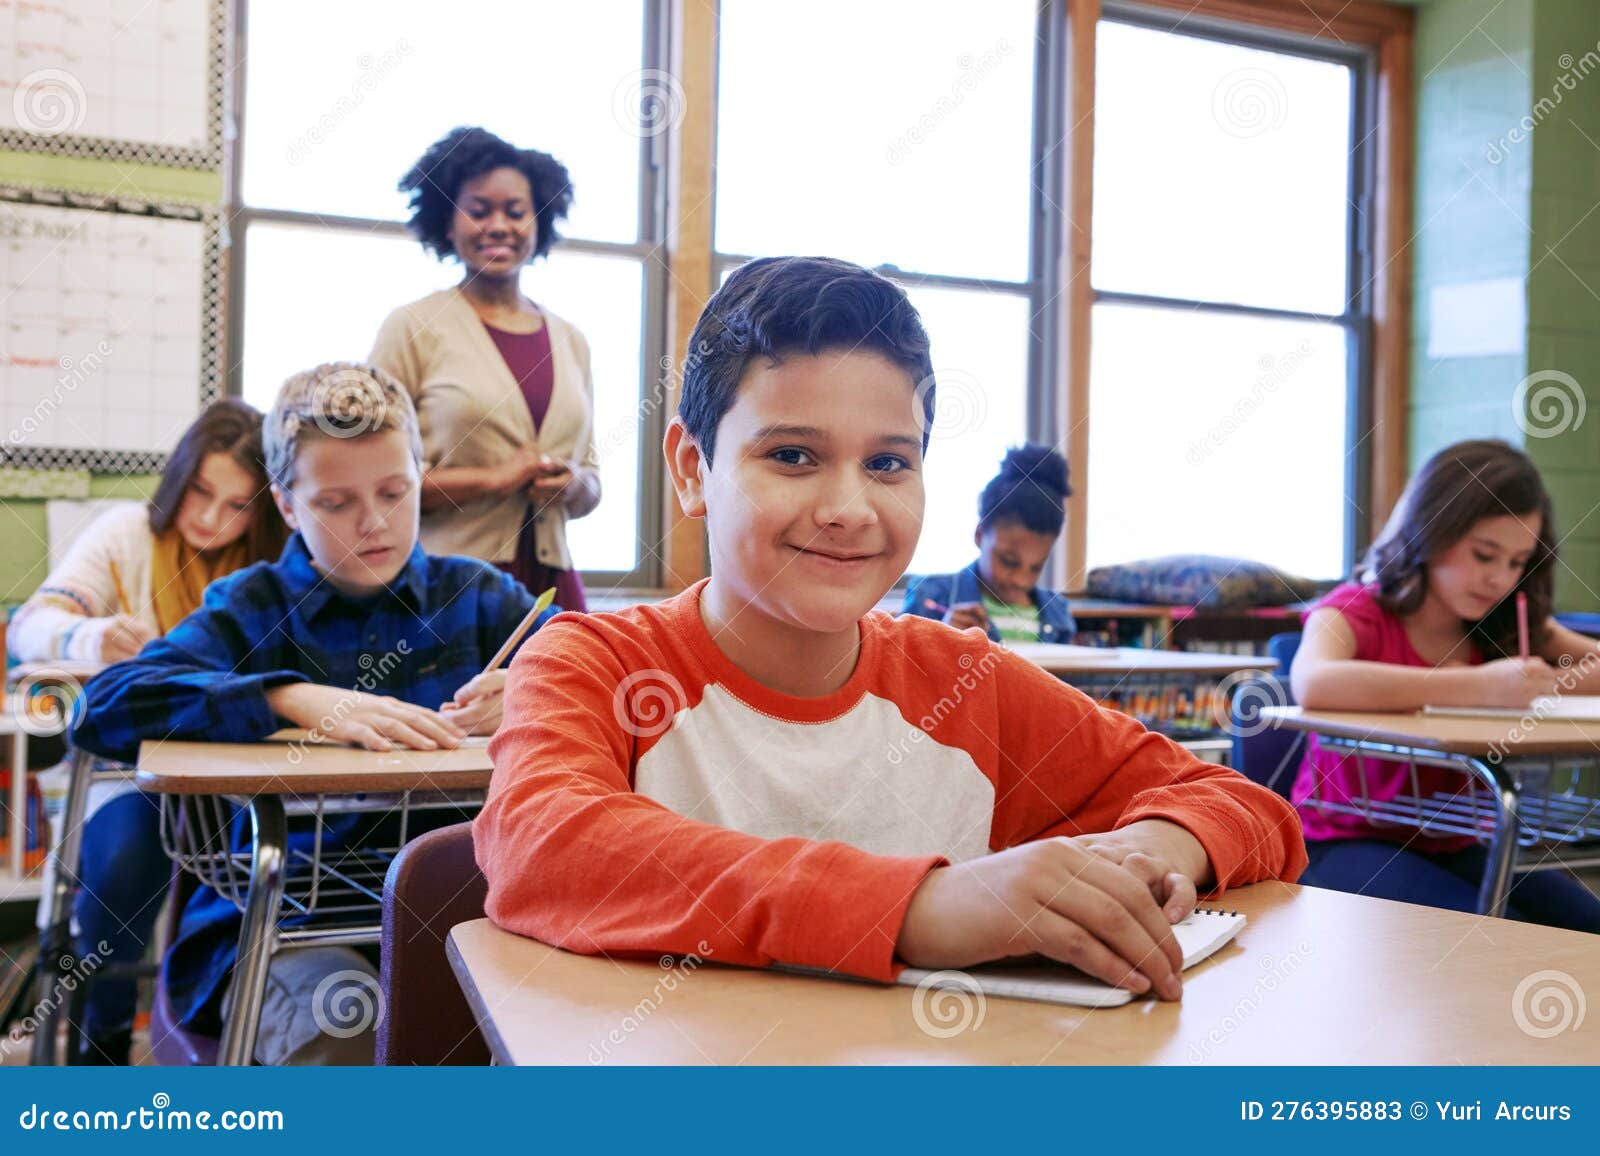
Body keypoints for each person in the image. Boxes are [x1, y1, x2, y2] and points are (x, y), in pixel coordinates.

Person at [476, 257, 1305, 999]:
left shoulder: (968, 685)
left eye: (888, 463)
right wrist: (925, 907)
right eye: (793, 456)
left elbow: (1240, 803)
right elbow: (542, 847)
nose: (847, 509)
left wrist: (1145, 857)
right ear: (694, 469)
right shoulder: (595, 661)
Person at [73, 363, 558, 1063]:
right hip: (289, 928)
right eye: (336, 502)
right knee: (343, 1039)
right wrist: (288, 699)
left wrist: (537, 687)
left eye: (396, 490)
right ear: (289, 505)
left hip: (473, 916)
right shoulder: (251, 609)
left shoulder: (481, 599)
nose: (376, 522)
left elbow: (622, 686)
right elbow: (103, 705)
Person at [9, 397, 286, 1064]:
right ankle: (101, 1037)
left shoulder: (274, 566)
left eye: (238, 504)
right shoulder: (126, 534)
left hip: (245, 778)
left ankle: (227, 1040)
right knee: (124, 863)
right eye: (201, 492)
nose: (213, 520)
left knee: (278, 878)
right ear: (178, 476)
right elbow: (27, 629)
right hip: (134, 773)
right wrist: (96, 634)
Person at [1290, 438, 1600, 932]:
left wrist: (1542, 682)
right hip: (1338, 842)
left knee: (1584, 927)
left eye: (1518, 563)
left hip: (1456, 841)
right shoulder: (1355, 610)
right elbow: (1314, 683)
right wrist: (1479, 686)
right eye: (1485, 555)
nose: (1500, 579)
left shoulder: (1502, 626)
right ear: (1433, 530)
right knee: (1492, 937)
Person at [371, 125, 599, 611]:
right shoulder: (411, 327)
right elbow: (374, 481)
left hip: (553, 586)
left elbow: (593, 480)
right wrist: (494, 479)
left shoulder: (571, 339)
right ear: (447, 223)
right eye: (479, 211)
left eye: (516, 212)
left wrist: (573, 484)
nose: (499, 225)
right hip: (447, 588)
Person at [902, 443, 1076, 642]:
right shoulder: (931, 596)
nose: (1021, 580)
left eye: (1036, 567)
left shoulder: (1057, 612)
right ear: (979, 534)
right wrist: (942, 641)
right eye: (1009, 561)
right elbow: (899, 666)